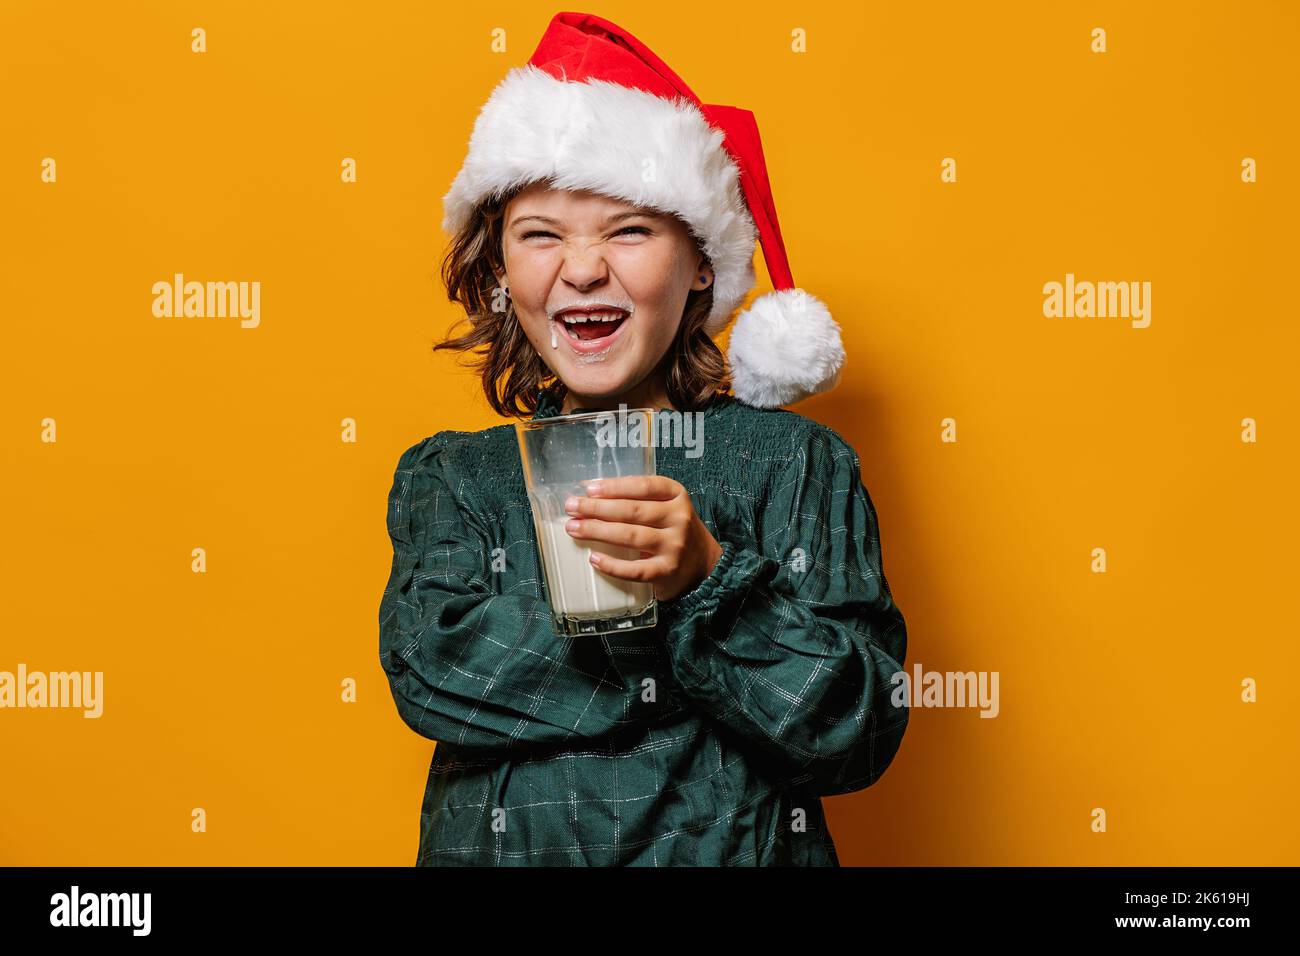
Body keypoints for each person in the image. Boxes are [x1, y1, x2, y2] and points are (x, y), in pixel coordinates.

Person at [379, 11, 909, 866]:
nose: (583, 268)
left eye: (628, 230)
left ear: (700, 260)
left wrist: (708, 578)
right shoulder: (457, 478)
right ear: (500, 273)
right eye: (539, 234)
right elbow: (433, 674)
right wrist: (672, 639)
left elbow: (854, 727)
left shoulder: (796, 464)